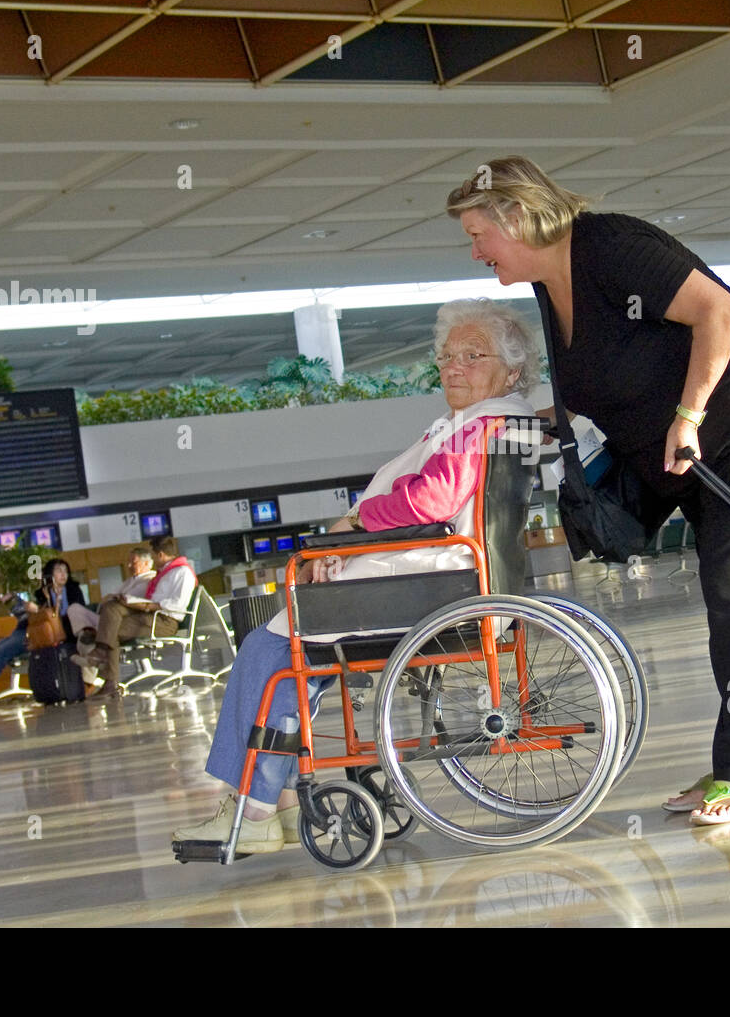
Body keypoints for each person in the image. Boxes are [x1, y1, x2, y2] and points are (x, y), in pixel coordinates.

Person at [447, 156, 730, 825]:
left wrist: (691, 414)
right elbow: (600, 386)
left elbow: (720, 313)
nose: (474, 252)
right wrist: (514, 422)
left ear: (518, 219)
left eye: (478, 235)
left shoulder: (610, 246)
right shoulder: (548, 286)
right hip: (664, 438)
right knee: (695, 575)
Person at [172, 299, 539, 854]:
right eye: (445, 357)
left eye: (472, 355)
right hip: (447, 575)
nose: (453, 367)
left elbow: (432, 499)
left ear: (511, 371)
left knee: (266, 652)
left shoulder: (478, 425)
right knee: (287, 654)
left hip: (427, 580)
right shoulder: (504, 421)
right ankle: (272, 802)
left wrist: (353, 524)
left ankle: (253, 807)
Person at [0, 559, 85, 710]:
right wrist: (18, 606)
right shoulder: (42, 592)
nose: (63, 574)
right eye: (58, 570)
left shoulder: (73, 591)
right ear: (50, 573)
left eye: (65, 571)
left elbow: (69, 618)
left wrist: (39, 610)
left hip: (42, 636)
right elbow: (31, 618)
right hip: (26, 629)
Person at [73, 536, 195, 698]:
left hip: (164, 620)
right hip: (150, 615)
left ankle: (108, 676)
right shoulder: (164, 573)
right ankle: (102, 656)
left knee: (112, 629)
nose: (152, 559)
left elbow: (177, 604)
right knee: (112, 608)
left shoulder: (182, 572)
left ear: (160, 555)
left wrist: (149, 605)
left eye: (153, 555)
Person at [65, 546, 155, 679]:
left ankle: (88, 682)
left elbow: (125, 599)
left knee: (86, 642)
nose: (129, 566)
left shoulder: (150, 579)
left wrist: (113, 597)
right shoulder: (129, 581)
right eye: (128, 562)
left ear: (146, 563)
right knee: (74, 610)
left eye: (133, 562)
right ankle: (88, 633)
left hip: (123, 622)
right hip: (106, 619)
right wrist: (112, 598)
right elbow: (107, 600)